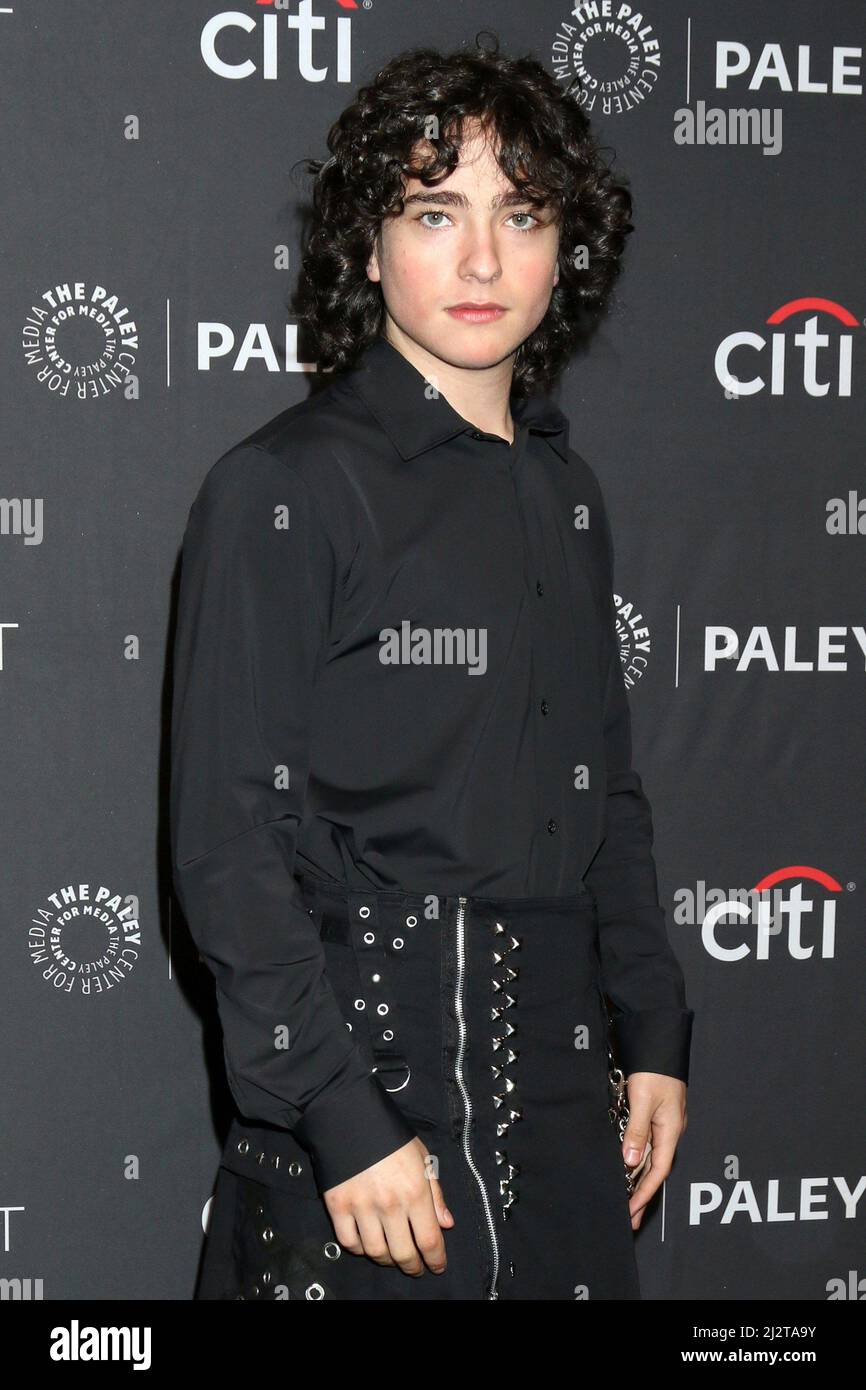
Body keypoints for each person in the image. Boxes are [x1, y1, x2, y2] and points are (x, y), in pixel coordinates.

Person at [170, 34, 694, 1302]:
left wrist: (656, 1034)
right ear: (367, 243)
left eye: (517, 214)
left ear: (565, 246)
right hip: (366, 1126)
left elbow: (604, 795)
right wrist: (339, 1115)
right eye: (431, 210)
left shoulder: (567, 494)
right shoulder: (283, 488)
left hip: (567, 1122)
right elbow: (225, 845)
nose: (478, 260)